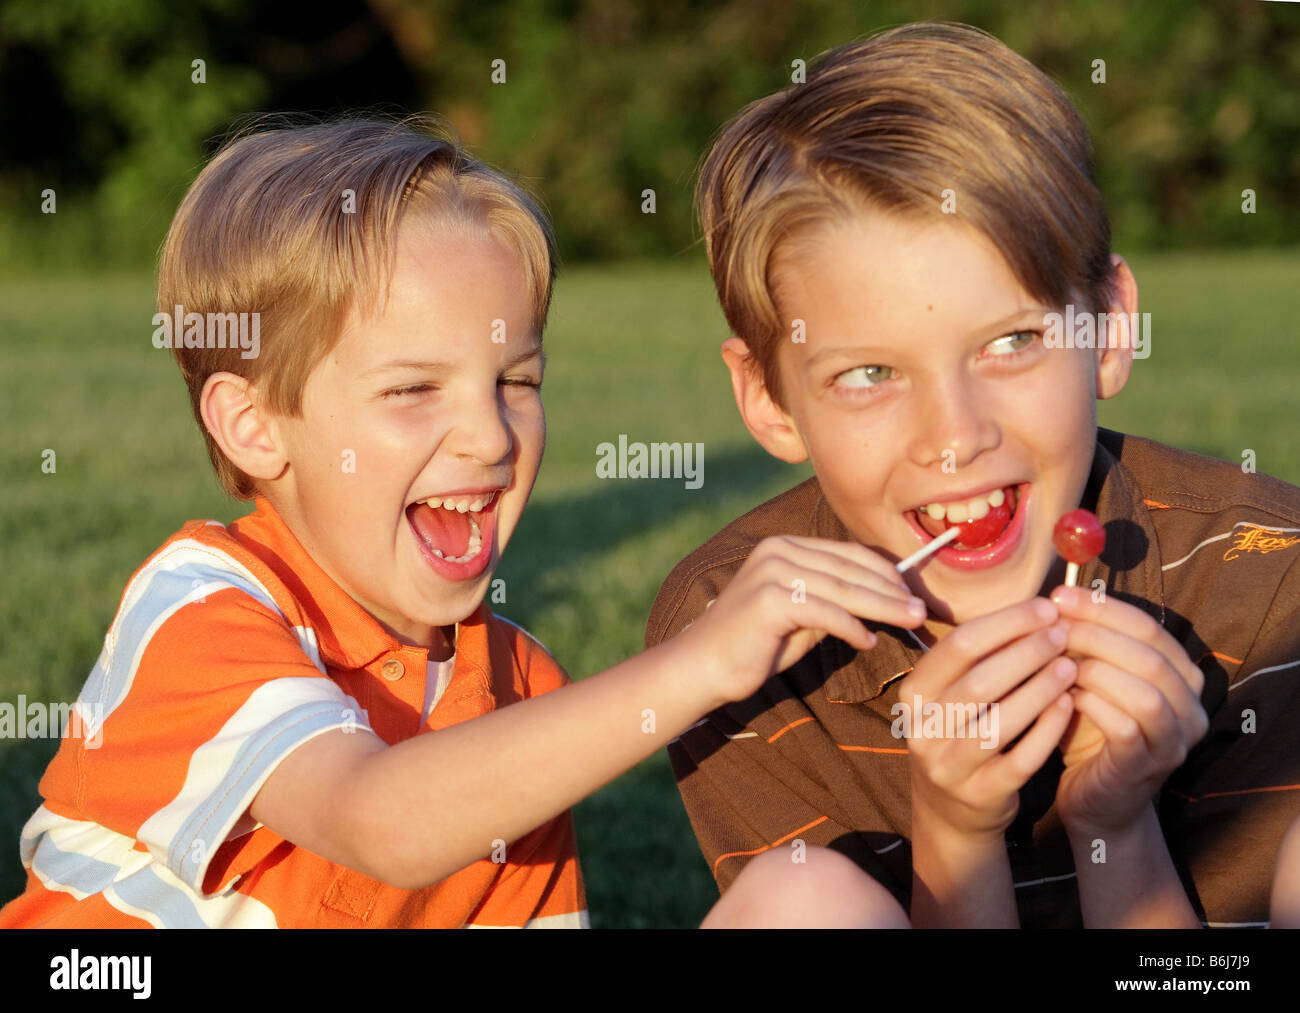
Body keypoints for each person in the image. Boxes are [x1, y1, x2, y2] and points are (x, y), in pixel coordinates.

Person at [0, 116, 921, 928]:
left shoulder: (520, 700)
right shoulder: (203, 609)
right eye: (411, 389)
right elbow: (379, 819)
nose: (489, 434)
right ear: (254, 425)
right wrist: (697, 665)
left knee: (810, 901)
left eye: (516, 381)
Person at [647, 22, 1300, 928]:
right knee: (797, 903)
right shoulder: (743, 645)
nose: (954, 437)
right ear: (768, 398)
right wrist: (954, 830)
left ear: (1108, 328)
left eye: (1011, 342)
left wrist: (1116, 824)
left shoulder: (1268, 583)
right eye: (869, 374)